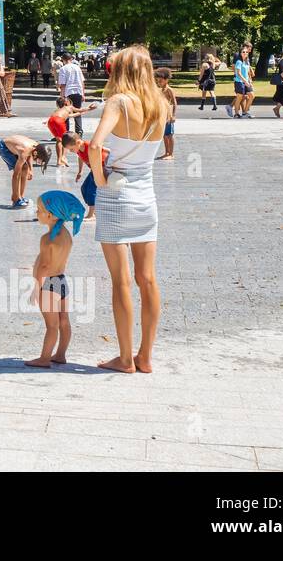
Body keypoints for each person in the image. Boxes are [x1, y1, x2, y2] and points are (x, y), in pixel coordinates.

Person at [87, 45, 165, 374]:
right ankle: (145, 356)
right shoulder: (161, 104)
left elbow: (94, 145)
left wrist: (100, 179)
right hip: (146, 196)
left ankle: (124, 357)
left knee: (121, 282)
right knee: (147, 279)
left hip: (116, 196)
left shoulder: (118, 102)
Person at [26, 190, 86, 368]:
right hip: (62, 282)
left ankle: (44, 358)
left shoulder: (47, 239)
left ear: (50, 215)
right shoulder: (66, 235)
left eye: (39, 209)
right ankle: (60, 354)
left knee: (51, 326)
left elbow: (44, 266)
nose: (36, 213)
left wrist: (36, 288)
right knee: (64, 321)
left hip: (49, 284)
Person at [0, 134, 49, 209]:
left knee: (25, 168)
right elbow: (16, 174)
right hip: (4, 147)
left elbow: (29, 155)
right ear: (36, 153)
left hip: (16, 147)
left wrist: (31, 169)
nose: (38, 162)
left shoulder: (36, 147)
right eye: (39, 160)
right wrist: (14, 196)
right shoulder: (25, 151)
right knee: (20, 171)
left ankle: (21, 197)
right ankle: (16, 199)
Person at [62, 131, 106, 221]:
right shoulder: (79, 149)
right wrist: (80, 171)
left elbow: (103, 149)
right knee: (84, 188)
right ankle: (94, 211)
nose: (71, 151)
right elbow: (80, 157)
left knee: (91, 190)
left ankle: (91, 215)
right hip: (94, 170)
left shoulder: (89, 146)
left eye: (71, 149)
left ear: (78, 142)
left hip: (101, 168)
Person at [47, 96, 97, 165]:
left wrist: (83, 112)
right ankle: (63, 157)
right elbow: (80, 110)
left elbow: (72, 115)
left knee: (59, 140)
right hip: (59, 121)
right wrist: (89, 108)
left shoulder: (59, 110)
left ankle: (59, 161)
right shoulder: (69, 107)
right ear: (67, 102)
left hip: (50, 121)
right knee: (65, 140)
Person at [57, 54, 89, 134]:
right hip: (78, 92)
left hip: (68, 93)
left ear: (63, 60)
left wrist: (62, 96)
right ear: (71, 59)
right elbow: (82, 82)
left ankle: (65, 132)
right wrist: (83, 94)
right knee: (77, 113)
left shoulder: (63, 69)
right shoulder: (77, 67)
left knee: (66, 113)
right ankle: (79, 131)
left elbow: (63, 84)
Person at [154, 67, 178, 159]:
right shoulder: (160, 90)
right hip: (162, 115)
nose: (159, 83)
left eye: (160, 81)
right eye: (158, 81)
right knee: (164, 135)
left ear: (166, 80)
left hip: (168, 115)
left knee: (170, 134)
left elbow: (174, 102)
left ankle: (171, 154)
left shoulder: (169, 90)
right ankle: (166, 152)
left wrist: (173, 115)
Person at [228, 45, 251, 117]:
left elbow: (247, 72)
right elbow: (239, 73)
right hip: (239, 82)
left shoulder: (246, 61)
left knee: (250, 95)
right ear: (240, 53)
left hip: (245, 82)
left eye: (246, 52)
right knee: (239, 97)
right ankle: (236, 113)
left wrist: (249, 80)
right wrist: (245, 81)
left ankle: (245, 112)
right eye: (243, 52)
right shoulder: (239, 61)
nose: (245, 53)